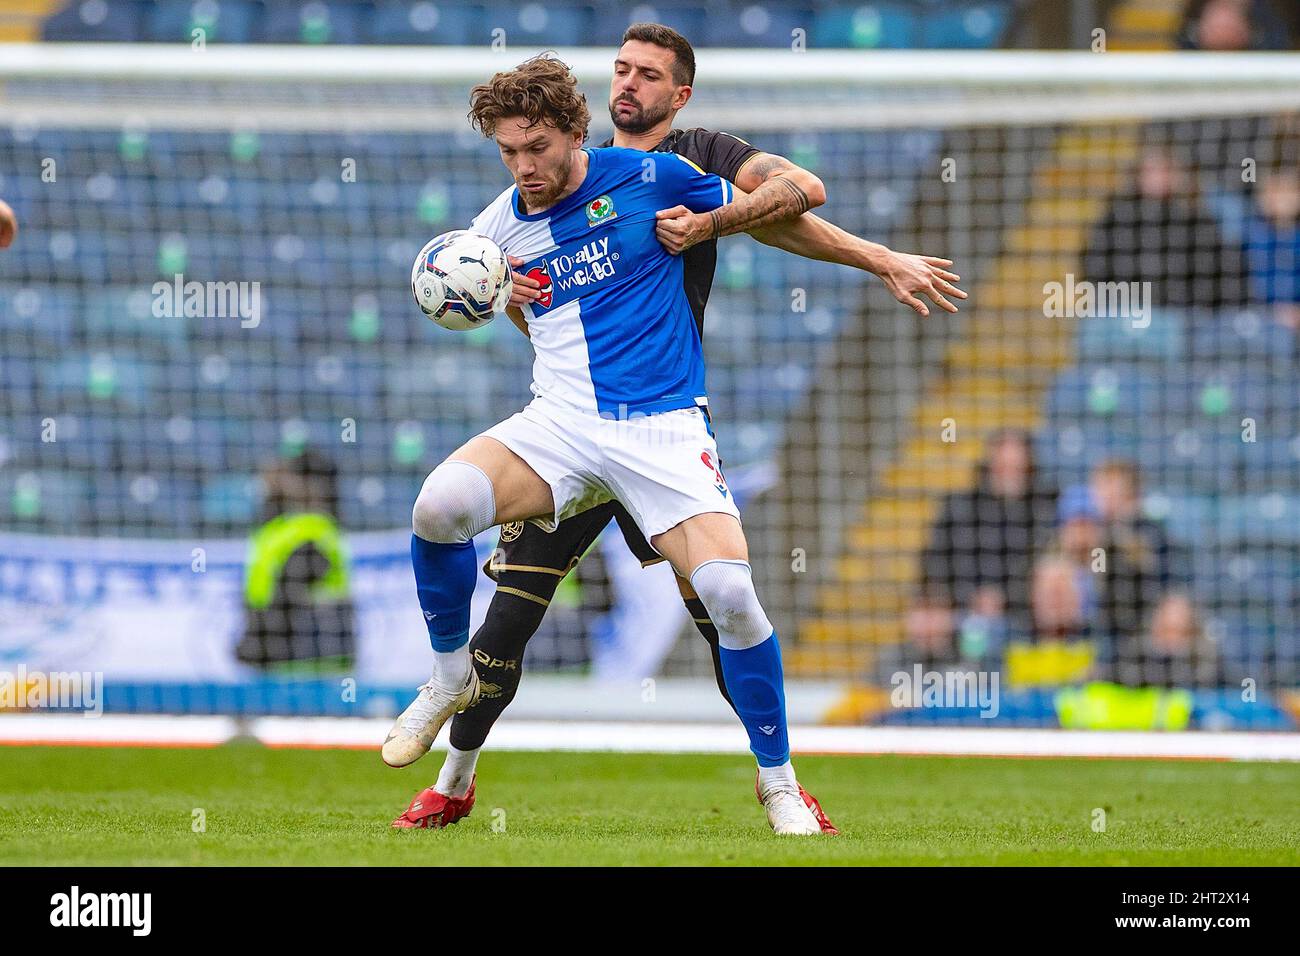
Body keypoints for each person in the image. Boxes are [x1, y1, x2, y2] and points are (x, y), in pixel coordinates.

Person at [397, 25, 965, 831]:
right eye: (622, 67)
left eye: (649, 73)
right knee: (498, 598)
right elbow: (529, 300)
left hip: (662, 426)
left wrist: (740, 231)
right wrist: (515, 304)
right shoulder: (506, 221)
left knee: (726, 599)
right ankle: (453, 775)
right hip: (565, 429)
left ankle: (780, 783)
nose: (631, 82)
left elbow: (791, 205)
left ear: (677, 93)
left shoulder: (686, 162)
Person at [910, 429, 1057, 660]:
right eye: (1004, 466)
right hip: (961, 612)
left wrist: (1004, 598)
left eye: (1017, 467)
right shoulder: (959, 508)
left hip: (1023, 618)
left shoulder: (1045, 511)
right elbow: (934, 565)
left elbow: (1043, 565)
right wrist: (969, 597)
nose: (1010, 473)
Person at [234, 449, 356, 673]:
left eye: (293, 476)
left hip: (308, 666)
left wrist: (254, 645)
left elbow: (287, 598)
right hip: (299, 663)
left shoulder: (311, 533)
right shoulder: (286, 528)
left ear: (311, 484)